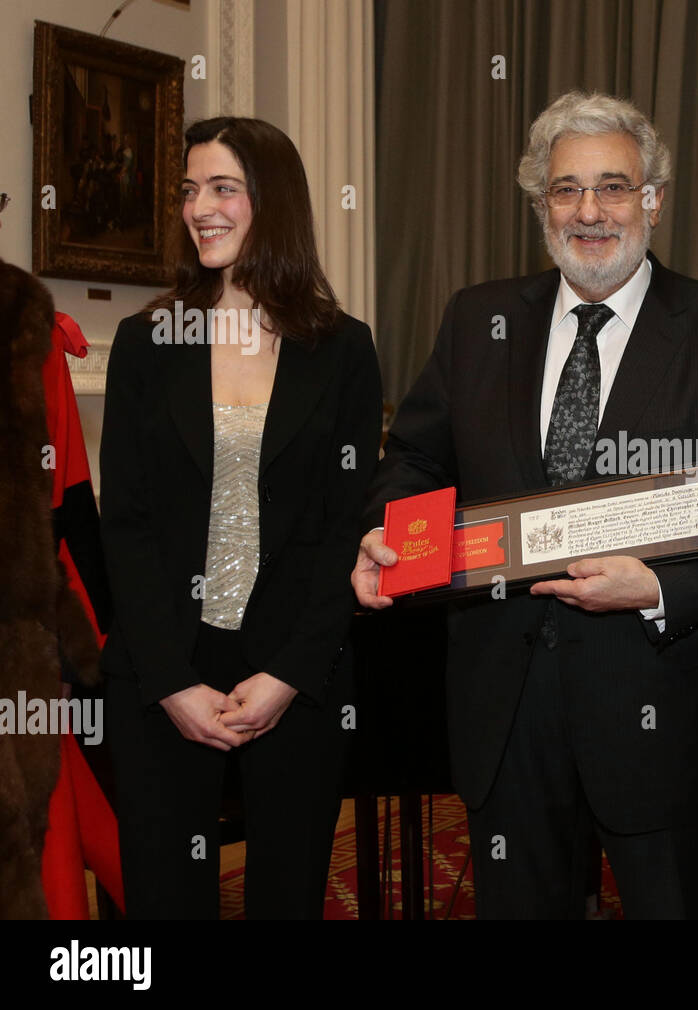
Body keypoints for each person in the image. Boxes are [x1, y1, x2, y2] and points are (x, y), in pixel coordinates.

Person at [353, 91, 698, 919]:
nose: (589, 212)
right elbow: (416, 458)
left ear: (653, 200)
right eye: (566, 189)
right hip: (506, 712)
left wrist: (656, 588)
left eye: (613, 187)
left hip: (662, 711)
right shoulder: (477, 320)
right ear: (541, 205)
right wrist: (388, 534)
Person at [99, 117, 382, 918]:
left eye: (223, 188)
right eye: (191, 190)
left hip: (295, 673)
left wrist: (289, 675)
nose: (200, 208)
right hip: (163, 671)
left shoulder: (342, 349)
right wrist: (171, 682)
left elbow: (344, 528)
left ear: (273, 200)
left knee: (286, 897)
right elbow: (125, 525)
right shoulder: (146, 342)